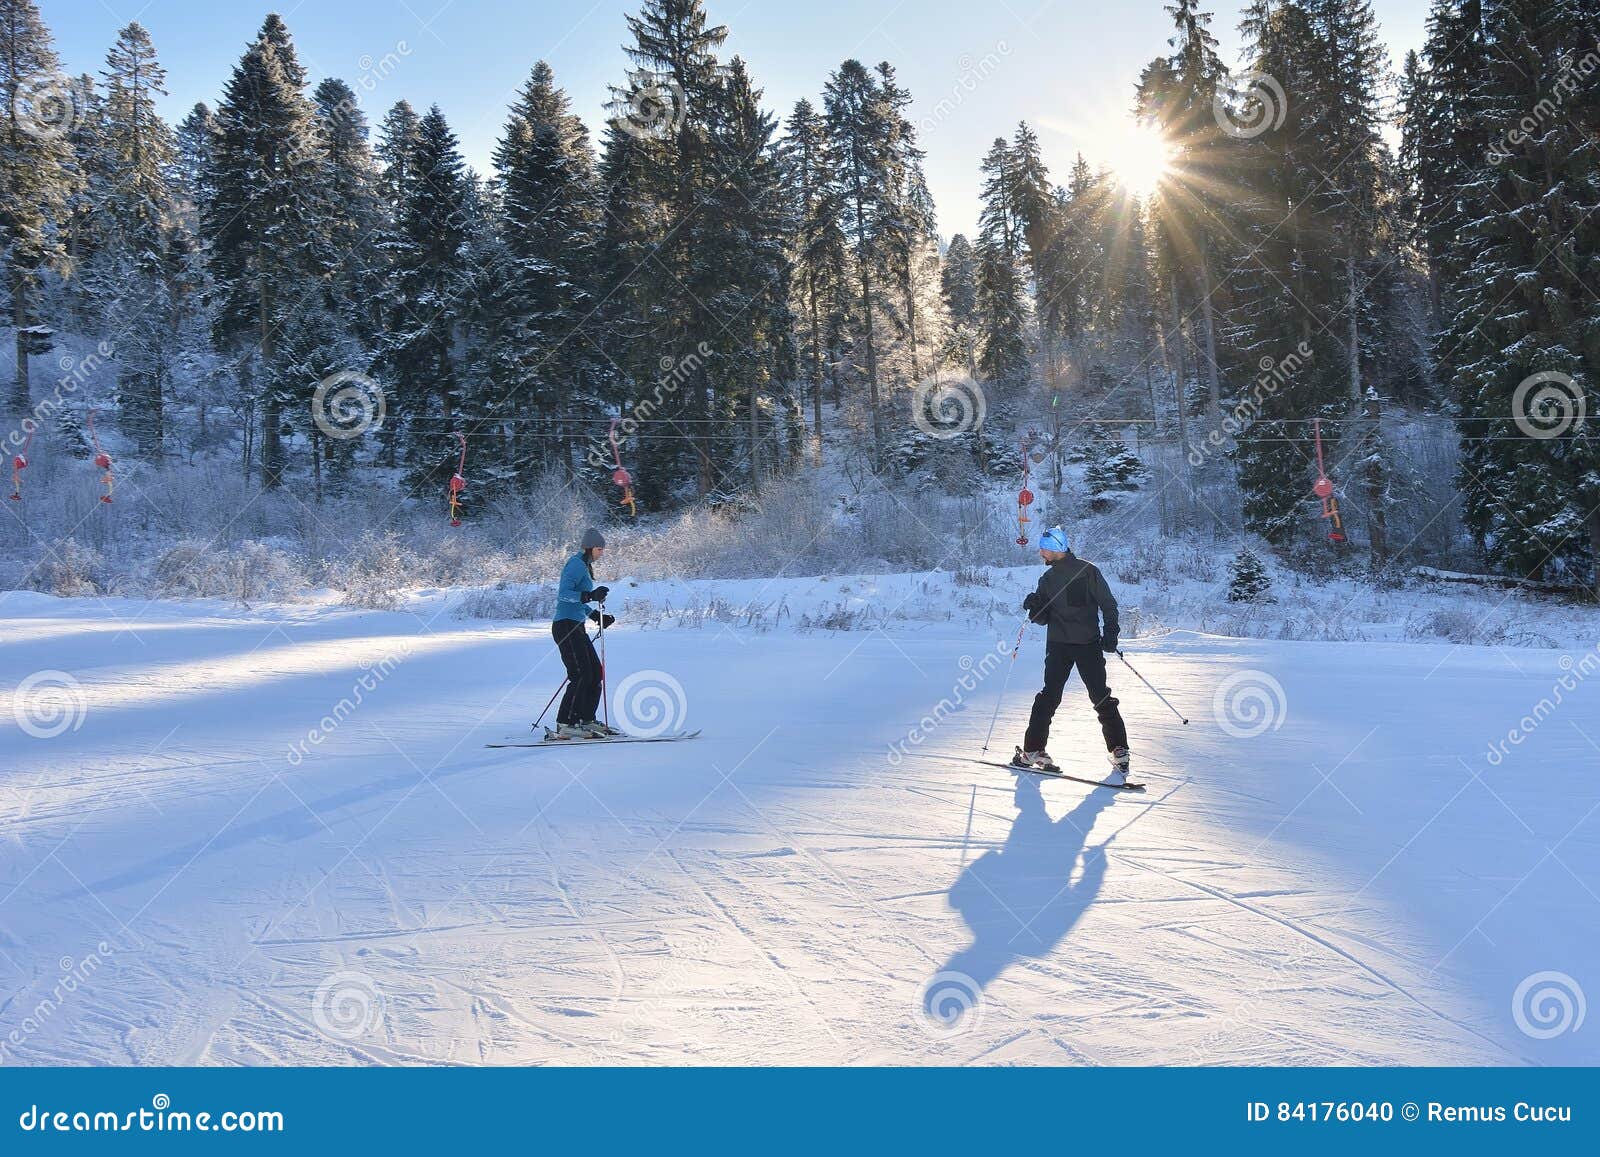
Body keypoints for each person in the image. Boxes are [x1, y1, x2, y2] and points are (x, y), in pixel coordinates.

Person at [1013, 526, 1132, 784]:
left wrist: (1111, 634)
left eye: (1043, 547)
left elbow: (1108, 604)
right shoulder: (1048, 579)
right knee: (1063, 697)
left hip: (1081, 645)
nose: (1040, 552)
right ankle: (1034, 750)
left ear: (1055, 548)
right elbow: (1043, 617)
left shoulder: (1087, 571)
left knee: (1068, 697)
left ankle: (1118, 750)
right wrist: (1033, 606)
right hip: (1061, 645)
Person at [549, 527, 618, 739]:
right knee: (580, 674)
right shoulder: (576, 565)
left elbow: (579, 600)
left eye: (602, 549)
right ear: (589, 547)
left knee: (596, 672)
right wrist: (589, 595)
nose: (601, 553)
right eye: (599, 548)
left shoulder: (585, 566)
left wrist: (596, 616)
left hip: (576, 625)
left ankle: (586, 719)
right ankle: (565, 723)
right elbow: (564, 596)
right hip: (565, 626)